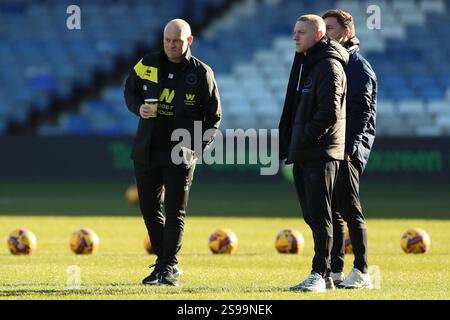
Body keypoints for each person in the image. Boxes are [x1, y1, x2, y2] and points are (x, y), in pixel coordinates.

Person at [124, 19, 221, 286]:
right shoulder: (148, 63)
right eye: (167, 40)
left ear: (189, 41)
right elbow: (129, 90)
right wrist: (138, 107)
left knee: (175, 211)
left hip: (181, 152)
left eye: (176, 41)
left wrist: (198, 149)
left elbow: (214, 118)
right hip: (147, 149)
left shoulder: (201, 73)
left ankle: (167, 266)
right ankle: (165, 264)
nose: (171, 45)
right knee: (148, 208)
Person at [278, 14, 349, 292]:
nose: (295, 37)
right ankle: (327, 274)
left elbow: (329, 112)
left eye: (302, 33)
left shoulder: (329, 66)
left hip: (321, 151)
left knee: (321, 215)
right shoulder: (306, 63)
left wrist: (304, 140)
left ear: (319, 35)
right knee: (312, 215)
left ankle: (319, 273)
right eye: (294, 32)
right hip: (306, 151)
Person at [322, 9, 377, 289]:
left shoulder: (357, 66)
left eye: (329, 28)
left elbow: (362, 112)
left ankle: (363, 271)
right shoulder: (333, 63)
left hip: (348, 150)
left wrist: (348, 147)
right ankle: (334, 270)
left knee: (350, 207)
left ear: (345, 32)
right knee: (333, 210)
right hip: (333, 147)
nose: (325, 33)